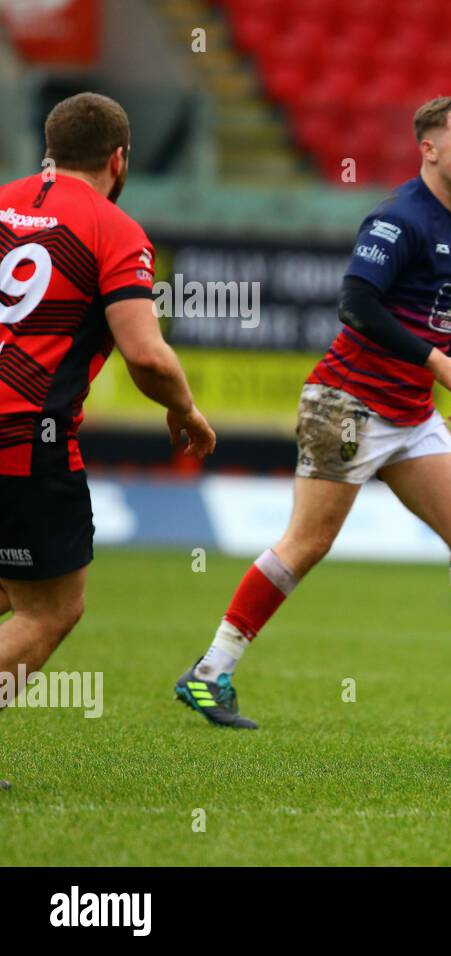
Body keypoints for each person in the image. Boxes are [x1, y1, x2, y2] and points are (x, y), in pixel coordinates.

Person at [173, 96, 451, 731]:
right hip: (347, 406)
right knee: (307, 543)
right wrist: (438, 363)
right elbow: (357, 304)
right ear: (427, 148)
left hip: (410, 413)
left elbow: (440, 314)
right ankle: (207, 672)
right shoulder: (400, 219)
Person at [0, 93, 216, 788]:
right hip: (25, 439)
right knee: (51, 607)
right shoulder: (113, 228)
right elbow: (146, 355)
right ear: (119, 159)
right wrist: (185, 411)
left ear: (48, 148)